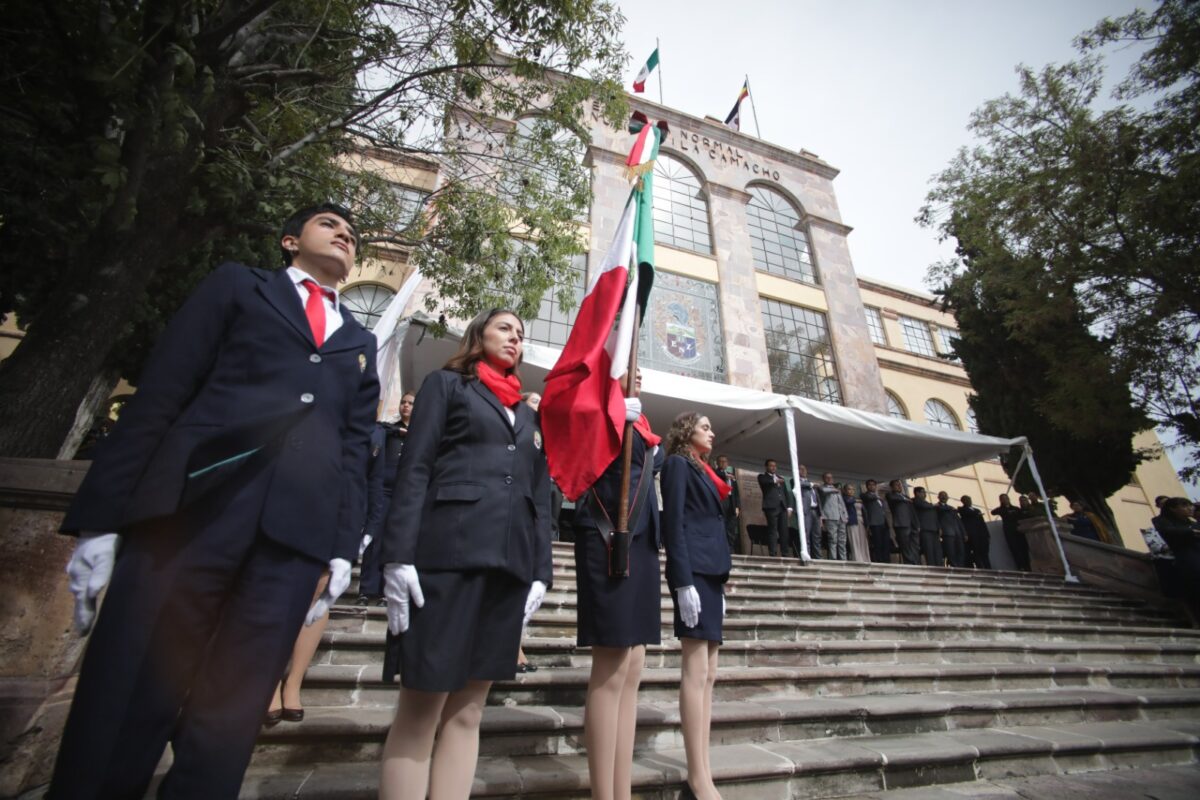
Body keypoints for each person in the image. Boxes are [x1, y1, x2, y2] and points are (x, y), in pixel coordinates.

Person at [51, 203, 379, 799]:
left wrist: (340, 549)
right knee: (131, 690)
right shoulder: (238, 286)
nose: (345, 235)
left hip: (289, 544)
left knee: (228, 718)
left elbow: (354, 453)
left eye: (352, 236)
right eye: (330, 224)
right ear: (289, 240)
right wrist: (101, 519)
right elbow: (163, 393)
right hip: (194, 513)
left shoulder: (360, 342)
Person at [377, 308, 552, 800]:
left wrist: (541, 569)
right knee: (422, 705)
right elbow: (416, 467)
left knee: (470, 709)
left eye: (521, 334)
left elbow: (538, 495)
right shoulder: (447, 385)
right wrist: (398, 555)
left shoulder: (526, 412)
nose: (515, 338)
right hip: (447, 556)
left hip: (508, 565)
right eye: (505, 328)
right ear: (479, 334)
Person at [572, 368, 663, 800]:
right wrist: (608, 418)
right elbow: (577, 463)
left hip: (642, 547)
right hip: (609, 541)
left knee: (633, 668)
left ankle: (621, 790)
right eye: (631, 370)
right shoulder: (595, 414)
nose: (638, 375)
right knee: (610, 667)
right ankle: (602, 794)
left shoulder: (641, 425)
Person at [661, 412, 732, 800]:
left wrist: (723, 576)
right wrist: (682, 580)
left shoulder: (704, 470)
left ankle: (702, 769)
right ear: (687, 431)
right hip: (694, 572)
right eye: (706, 427)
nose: (712, 432)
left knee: (710, 673)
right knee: (696, 668)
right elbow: (674, 523)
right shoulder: (676, 465)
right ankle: (697, 776)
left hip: (712, 573)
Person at [359, 391, 415, 605]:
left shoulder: (418, 432)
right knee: (373, 539)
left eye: (410, 403)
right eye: (404, 403)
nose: (406, 406)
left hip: (404, 493)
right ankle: (367, 589)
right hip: (383, 491)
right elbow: (381, 427)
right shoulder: (389, 430)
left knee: (393, 542)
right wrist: (400, 430)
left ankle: (385, 590)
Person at [1152, 498, 1200, 614]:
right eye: (1184, 506)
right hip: (1186, 559)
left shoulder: (1193, 523)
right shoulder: (1163, 522)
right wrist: (1192, 532)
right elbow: (1169, 532)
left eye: (1190, 506)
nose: (1190, 508)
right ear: (1173, 509)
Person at [757, 459, 791, 557]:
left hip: (782, 507)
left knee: (784, 530)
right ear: (766, 467)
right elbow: (765, 482)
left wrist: (789, 507)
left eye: (775, 466)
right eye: (771, 466)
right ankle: (773, 552)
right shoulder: (763, 477)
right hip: (771, 507)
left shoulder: (780, 477)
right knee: (773, 529)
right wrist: (775, 480)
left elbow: (786, 493)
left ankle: (785, 552)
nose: (773, 467)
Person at [992, 494, 1030, 571]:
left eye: (1007, 498)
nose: (1006, 500)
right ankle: (1020, 566)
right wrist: (1002, 507)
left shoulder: (1016, 509)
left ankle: (1027, 565)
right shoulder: (1001, 509)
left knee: (1024, 547)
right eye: (1003, 499)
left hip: (1019, 530)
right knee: (1014, 548)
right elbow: (993, 512)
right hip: (1009, 531)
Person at [886, 480, 919, 565]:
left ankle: (916, 562)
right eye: (897, 485)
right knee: (905, 545)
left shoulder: (905, 497)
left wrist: (917, 524)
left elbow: (912, 511)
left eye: (900, 485)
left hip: (911, 524)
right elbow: (894, 498)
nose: (899, 486)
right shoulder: (891, 495)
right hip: (901, 524)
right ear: (892, 487)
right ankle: (909, 563)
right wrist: (906, 499)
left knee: (914, 544)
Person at [816, 473, 848, 560]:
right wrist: (835, 490)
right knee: (832, 539)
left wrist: (846, 514)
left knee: (842, 540)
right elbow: (823, 491)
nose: (830, 479)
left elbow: (842, 503)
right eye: (827, 477)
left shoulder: (836, 489)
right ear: (824, 479)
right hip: (830, 516)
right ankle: (833, 559)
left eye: (831, 477)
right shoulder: (822, 487)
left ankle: (843, 559)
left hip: (841, 517)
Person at [715, 454, 742, 555]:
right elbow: (718, 475)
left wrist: (738, 506)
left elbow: (737, 492)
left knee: (731, 526)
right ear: (717, 463)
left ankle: (731, 550)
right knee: (722, 525)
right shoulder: (716, 473)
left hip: (732, 502)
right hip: (722, 501)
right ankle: (720, 549)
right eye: (721, 461)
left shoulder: (731, 475)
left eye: (725, 461)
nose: (723, 463)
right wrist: (726, 476)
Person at [860, 480, 891, 563]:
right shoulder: (865, 495)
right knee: (878, 543)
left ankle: (886, 560)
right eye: (870, 485)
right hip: (874, 523)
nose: (872, 486)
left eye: (873, 485)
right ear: (867, 486)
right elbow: (869, 498)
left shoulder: (878, 498)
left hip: (884, 522)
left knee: (886, 543)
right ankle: (879, 560)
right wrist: (877, 496)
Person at [912, 487, 944, 567]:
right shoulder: (915, 501)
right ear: (917, 493)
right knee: (929, 550)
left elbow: (934, 516)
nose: (925, 494)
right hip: (925, 529)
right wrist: (933, 505)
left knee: (937, 550)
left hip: (934, 529)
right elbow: (923, 506)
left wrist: (939, 527)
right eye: (922, 492)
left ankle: (940, 566)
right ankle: (932, 567)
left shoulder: (927, 503)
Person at [958, 495, 992, 569]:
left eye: (969, 499)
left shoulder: (977, 510)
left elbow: (983, 523)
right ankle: (980, 567)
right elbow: (967, 513)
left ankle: (988, 567)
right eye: (966, 500)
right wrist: (977, 514)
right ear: (963, 501)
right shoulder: (962, 509)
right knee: (976, 552)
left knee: (984, 552)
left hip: (982, 534)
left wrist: (987, 534)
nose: (968, 501)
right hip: (972, 535)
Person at [936, 491, 967, 568]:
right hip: (947, 533)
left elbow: (959, 521)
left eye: (945, 495)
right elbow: (936, 520)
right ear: (938, 497)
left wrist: (964, 533)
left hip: (957, 533)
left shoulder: (951, 508)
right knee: (950, 551)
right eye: (942, 495)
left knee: (961, 551)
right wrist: (939, 529)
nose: (944, 497)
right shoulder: (936, 507)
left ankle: (960, 567)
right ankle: (954, 566)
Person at [797, 464, 821, 559]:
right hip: (805, 511)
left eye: (804, 469)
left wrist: (821, 514)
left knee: (817, 535)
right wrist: (811, 484)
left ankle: (818, 557)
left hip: (815, 511)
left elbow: (818, 499)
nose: (803, 471)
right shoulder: (796, 481)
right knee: (806, 534)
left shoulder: (811, 483)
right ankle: (807, 556)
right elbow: (799, 485)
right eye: (800, 469)